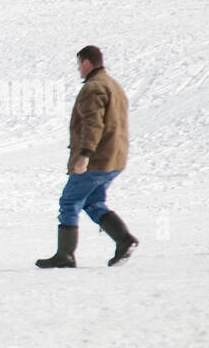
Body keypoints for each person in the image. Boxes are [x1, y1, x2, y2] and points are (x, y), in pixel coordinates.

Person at [36, 45, 139, 268]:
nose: (78, 70)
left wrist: (84, 155)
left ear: (86, 63)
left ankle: (65, 255)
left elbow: (94, 125)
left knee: (69, 201)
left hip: (97, 160)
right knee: (93, 202)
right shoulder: (113, 85)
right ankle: (124, 240)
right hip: (115, 159)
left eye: (78, 65)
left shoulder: (94, 87)